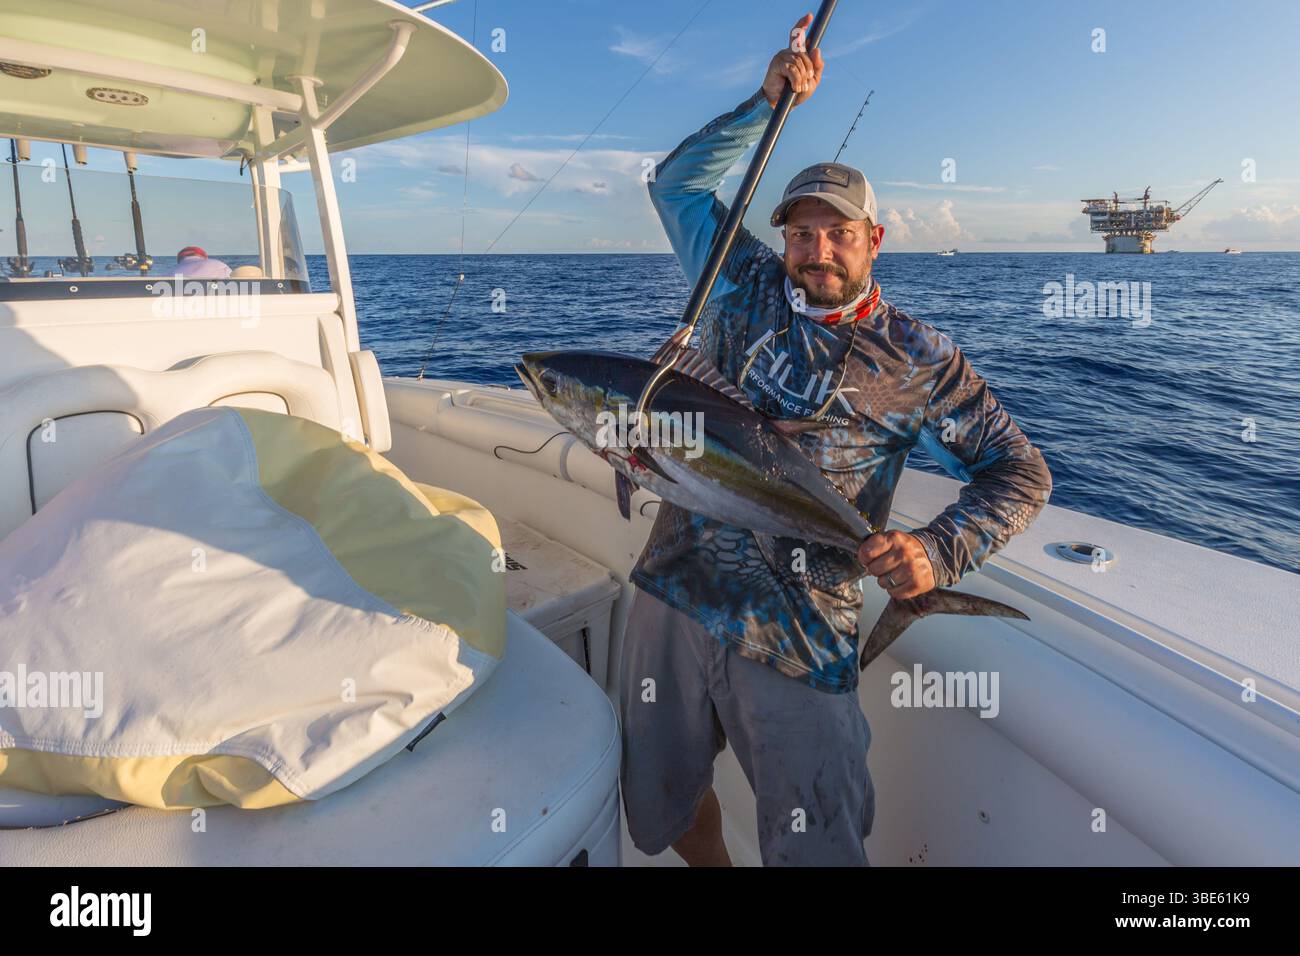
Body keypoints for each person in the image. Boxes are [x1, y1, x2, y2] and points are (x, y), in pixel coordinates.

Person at [619, 13, 1053, 867]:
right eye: (801, 232)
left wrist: (940, 550)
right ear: (780, 235)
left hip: (801, 624)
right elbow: (674, 184)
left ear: (873, 240)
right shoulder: (740, 282)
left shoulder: (919, 357)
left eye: (838, 233)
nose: (816, 251)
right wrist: (762, 101)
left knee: (817, 842)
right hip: (674, 587)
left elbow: (1021, 472)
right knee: (662, 800)